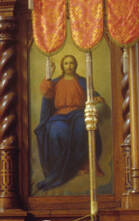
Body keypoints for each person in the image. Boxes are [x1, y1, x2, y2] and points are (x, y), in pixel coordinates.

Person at [34, 54, 103, 190]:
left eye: (71, 63)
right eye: (66, 63)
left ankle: (80, 165)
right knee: (56, 132)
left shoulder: (82, 81)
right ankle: (59, 170)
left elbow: (92, 94)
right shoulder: (54, 82)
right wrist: (49, 76)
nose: (69, 66)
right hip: (59, 115)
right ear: (62, 66)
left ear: (76, 65)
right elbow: (47, 93)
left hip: (78, 113)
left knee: (82, 128)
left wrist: (97, 98)